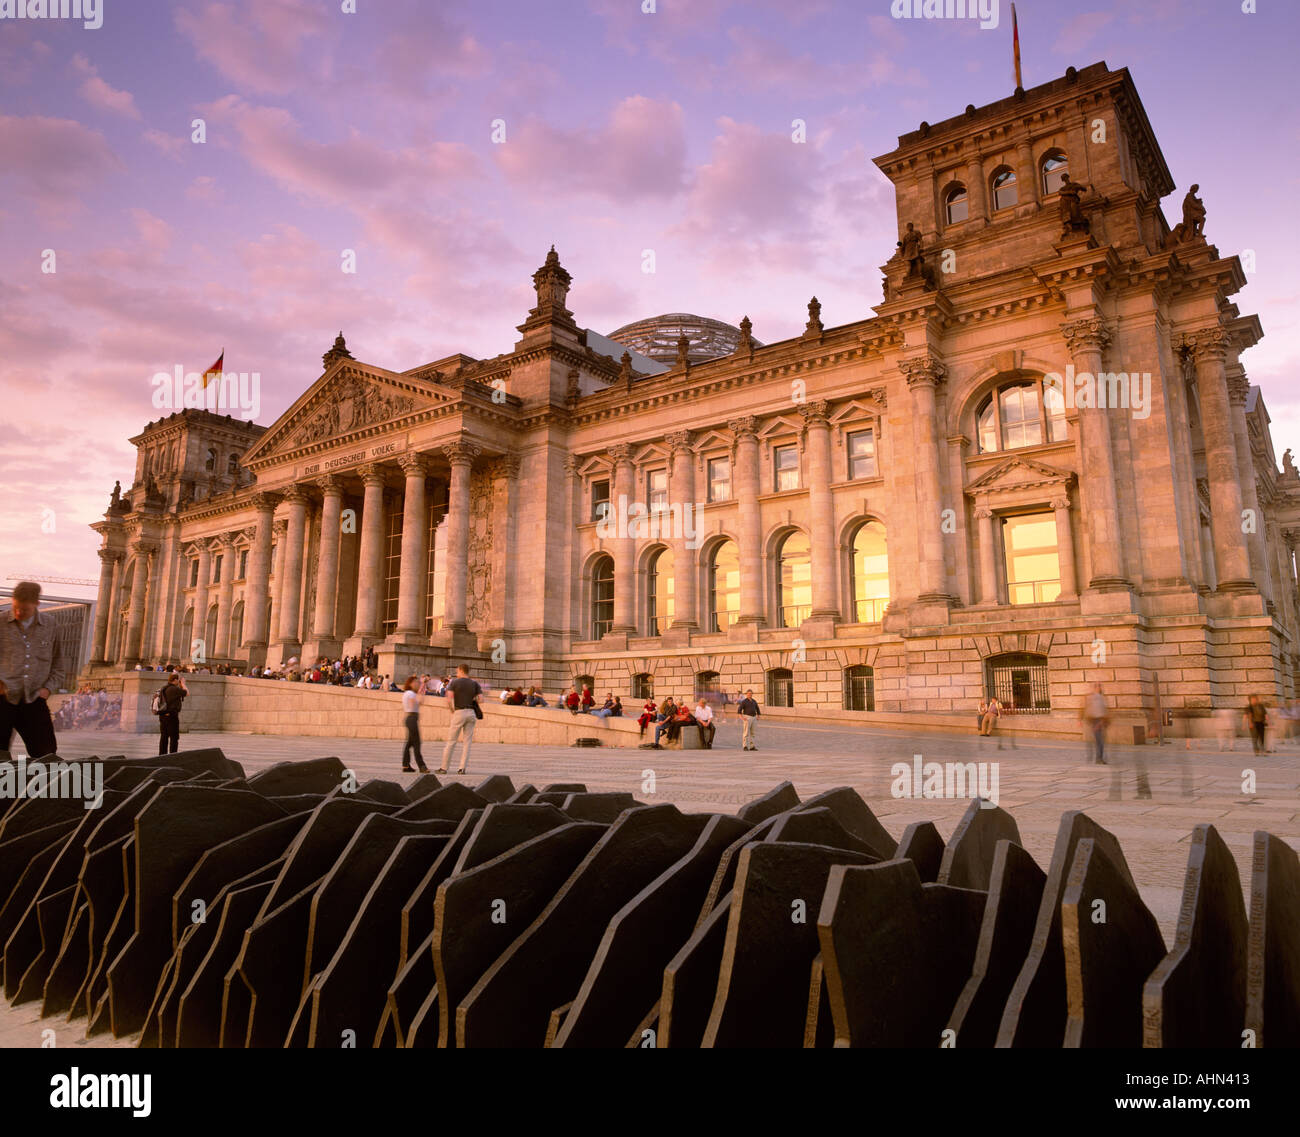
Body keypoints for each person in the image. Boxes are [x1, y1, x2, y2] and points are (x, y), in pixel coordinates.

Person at [0, 581, 65, 759]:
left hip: (35, 699)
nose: (19, 613)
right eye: (16, 608)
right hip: (3, 698)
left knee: (47, 754)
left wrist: (48, 689)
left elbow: (58, 664)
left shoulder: (51, 626)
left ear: (37, 604)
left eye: (25, 609)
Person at [439, 664, 482, 775]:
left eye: (457, 671)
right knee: (467, 742)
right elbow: (481, 699)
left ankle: (444, 768)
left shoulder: (454, 682)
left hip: (459, 712)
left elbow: (449, 699)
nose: (456, 673)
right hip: (471, 713)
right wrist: (473, 697)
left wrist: (452, 710)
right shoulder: (474, 683)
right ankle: (462, 768)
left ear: (461, 670)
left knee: (451, 741)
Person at [400, 675, 429, 773]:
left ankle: (406, 765)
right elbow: (415, 705)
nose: (418, 684)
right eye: (416, 682)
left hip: (410, 718)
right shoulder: (410, 694)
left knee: (409, 743)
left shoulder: (408, 693)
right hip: (412, 718)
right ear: (411, 683)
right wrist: (420, 694)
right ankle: (422, 766)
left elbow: (419, 702)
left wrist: (422, 687)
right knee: (417, 742)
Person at [157, 672, 188, 755]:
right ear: (175, 680)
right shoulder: (174, 689)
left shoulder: (164, 688)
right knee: (174, 737)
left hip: (163, 715)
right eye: (178, 680)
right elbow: (187, 693)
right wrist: (183, 684)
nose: (179, 681)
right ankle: (173, 755)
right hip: (172, 716)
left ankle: (162, 755)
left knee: (164, 736)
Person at [1080, 683, 1109, 765]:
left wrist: (1104, 721)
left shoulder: (1102, 698)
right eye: (1098, 686)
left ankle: (1098, 758)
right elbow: (1084, 709)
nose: (1100, 687)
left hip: (1101, 721)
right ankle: (1098, 758)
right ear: (1095, 687)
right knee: (1099, 741)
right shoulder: (1090, 697)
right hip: (1094, 721)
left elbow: (1105, 710)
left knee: (1100, 741)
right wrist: (1081, 720)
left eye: (1100, 686)